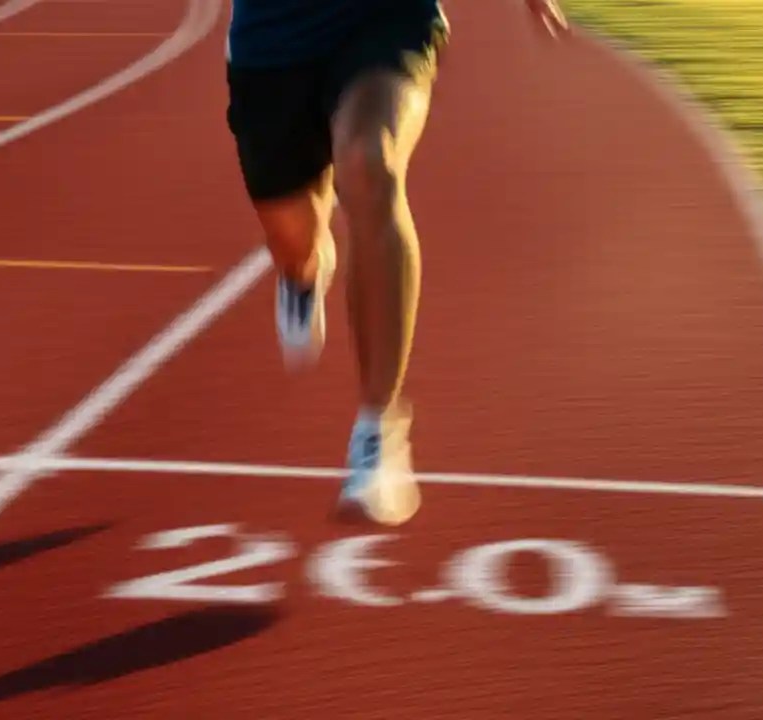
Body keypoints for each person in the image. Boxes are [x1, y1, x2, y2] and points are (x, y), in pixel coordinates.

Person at [224, 0, 568, 525]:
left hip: (387, 18)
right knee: (294, 241)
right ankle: (303, 273)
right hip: (271, 43)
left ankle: (378, 433)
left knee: (370, 163)